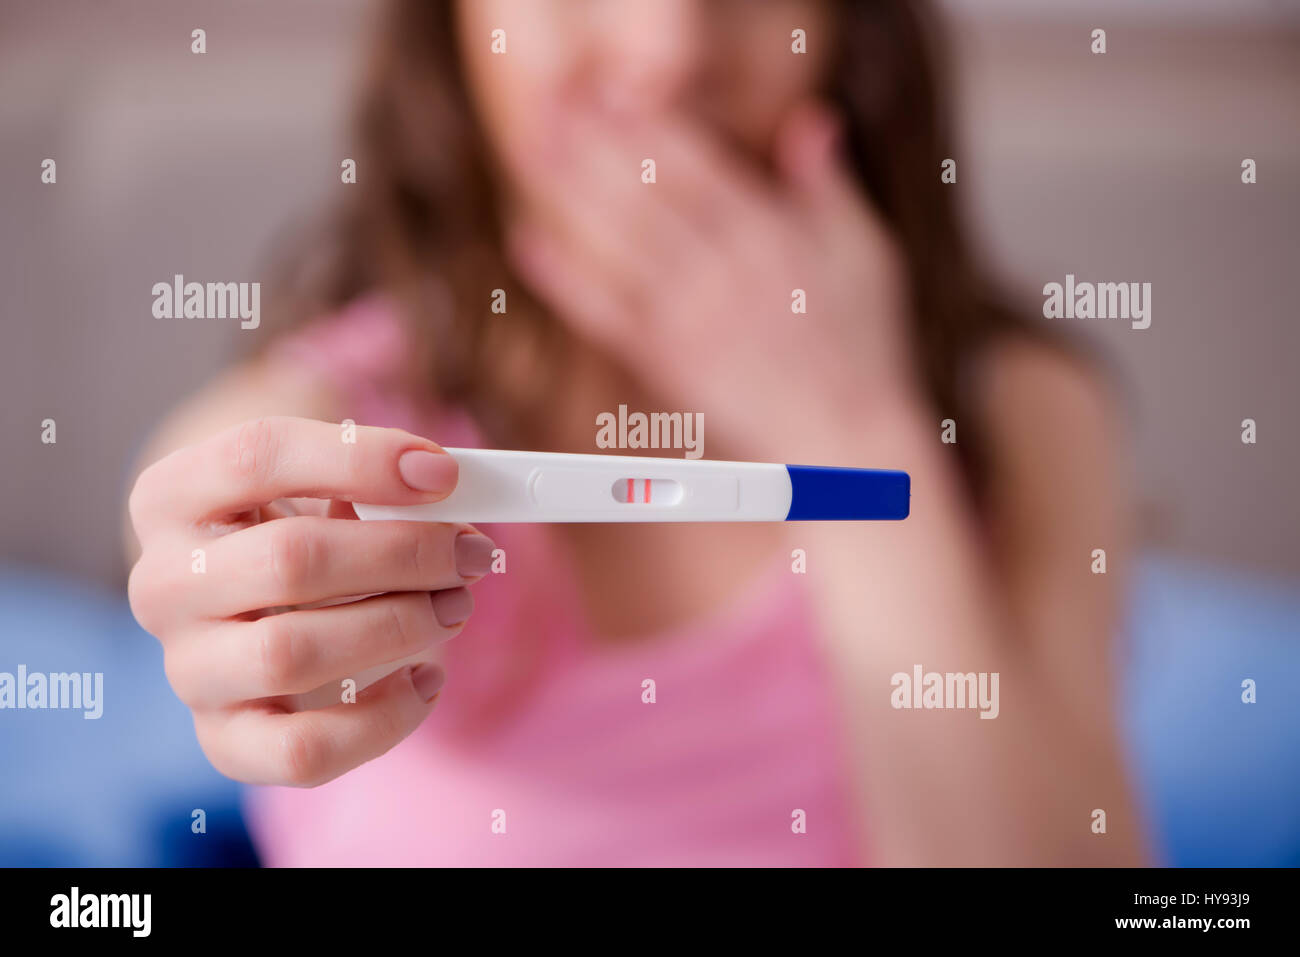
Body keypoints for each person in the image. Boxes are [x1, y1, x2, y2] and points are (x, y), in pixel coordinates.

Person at [125, 0, 1147, 866]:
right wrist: (233, 563)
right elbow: (228, 473)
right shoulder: (355, 411)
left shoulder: (1021, 414)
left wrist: (857, 430)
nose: (671, 48)